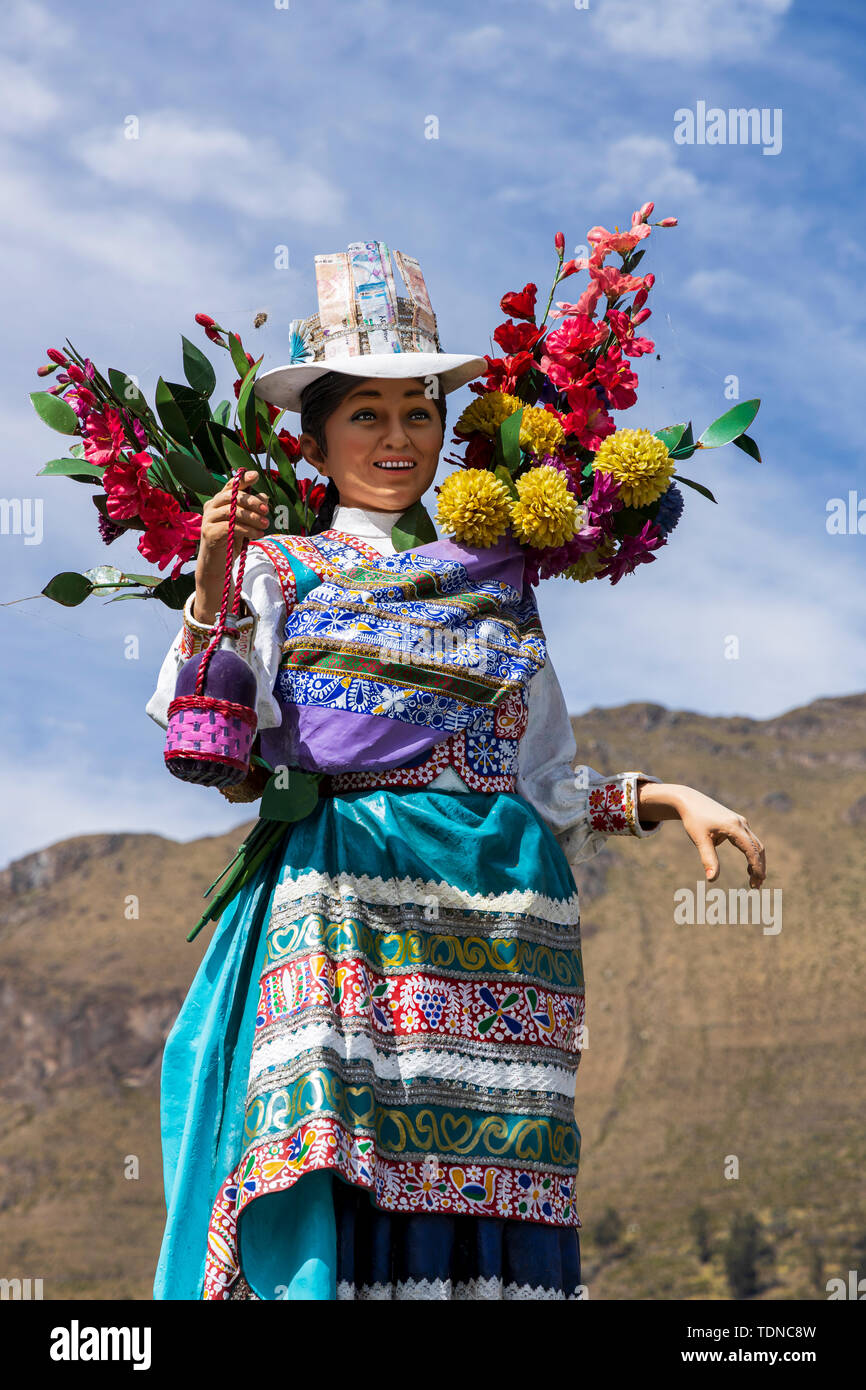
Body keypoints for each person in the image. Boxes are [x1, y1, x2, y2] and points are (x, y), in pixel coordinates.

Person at [146, 244, 766, 1300]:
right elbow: (215, 748)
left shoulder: (500, 588)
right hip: (343, 907)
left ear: (445, 429)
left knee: (481, 1187)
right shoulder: (277, 567)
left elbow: (540, 782)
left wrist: (665, 798)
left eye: (417, 413)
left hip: (493, 936)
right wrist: (210, 567)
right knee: (324, 1157)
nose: (396, 438)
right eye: (366, 415)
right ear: (316, 435)